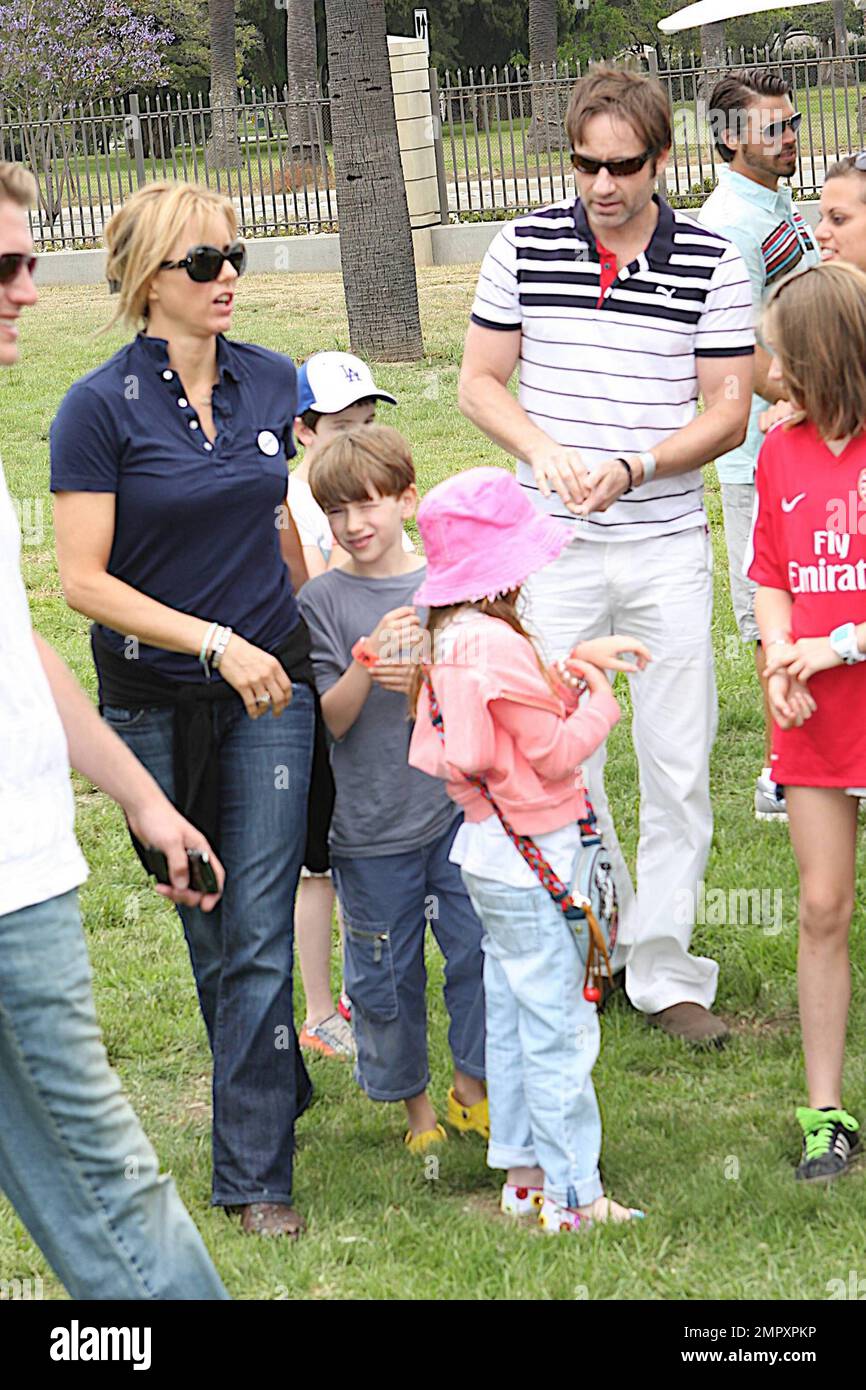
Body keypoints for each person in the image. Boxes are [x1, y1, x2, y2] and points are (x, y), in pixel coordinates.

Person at [458, 64, 754, 1045]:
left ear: (659, 160)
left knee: (675, 763)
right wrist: (541, 452)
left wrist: (634, 465)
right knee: (556, 763)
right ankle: (604, 939)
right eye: (583, 163)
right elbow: (478, 381)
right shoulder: (524, 244)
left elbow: (724, 412)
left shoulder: (709, 257)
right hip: (555, 550)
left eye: (619, 165)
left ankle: (666, 973)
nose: (598, 184)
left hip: (665, 545)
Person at [49, 181, 315, 1239]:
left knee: (255, 928)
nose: (227, 278)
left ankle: (256, 1178)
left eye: (233, 256)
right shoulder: (95, 407)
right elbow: (81, 577)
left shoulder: (274, 381)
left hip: (270, 694)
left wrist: (304, 626)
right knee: (207, 922)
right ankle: (272, 1080)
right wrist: (210, 638)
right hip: (150, 702)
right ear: (147, 280)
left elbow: (276, 522)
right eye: (202, 263)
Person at [0, 159, 228, 1299]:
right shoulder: (97, 407)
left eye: (30, 262)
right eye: (3, 266)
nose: (28, 289)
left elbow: (18, 646)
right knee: (108, 1178)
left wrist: (140, 797)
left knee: (92, 1184)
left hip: (25, 877)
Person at [408, 466, 647, 1229]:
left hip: (486, 850)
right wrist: (603, 706)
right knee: (562, 1027)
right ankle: (575, 1196)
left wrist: (574, 668)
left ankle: (523, 1175)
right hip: (539, 851)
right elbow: (552, 752)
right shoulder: (497, 645)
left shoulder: (448, 639)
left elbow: (498, 732)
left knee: (514, 1013)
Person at [298, 425, 487, 1151]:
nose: (353, 525)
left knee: (476, 953)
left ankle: (472, 1086)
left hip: (453, 814)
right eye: (336, 511)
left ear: (407, 500)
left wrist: (431, 673)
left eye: (368, 505)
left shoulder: (445, 583)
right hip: (368, 830)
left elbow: (481, 683)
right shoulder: (320, 601)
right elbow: (333, 722)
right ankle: (418, 1115)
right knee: (383, 979)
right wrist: (367, 664)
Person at [748, 261, 866, 1180]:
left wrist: (837, 648)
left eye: (781, 357)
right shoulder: (778, 449)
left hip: (849, 677)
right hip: (815, 715)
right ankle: (825, 1113)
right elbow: (773, 577)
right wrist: (779, 661)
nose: (766, 373)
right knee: (823, 906)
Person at [698, 68, 819, 823]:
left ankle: (828, 746)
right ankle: (780, 770)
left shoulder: (778, 203)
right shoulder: (727, 222)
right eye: (772, 129)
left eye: (792, 123)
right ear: (727, 141)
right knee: (769, 607)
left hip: (818, 434)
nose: (789, 138)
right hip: (762, 455)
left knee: (824, 593)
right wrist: (812, 401)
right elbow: (735, 347)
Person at [289, 351, 408, 1061]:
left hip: (379, 709)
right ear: (304, 430)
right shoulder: (300, 504)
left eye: (366, 420)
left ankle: (372, 987)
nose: (354, 435)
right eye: (338, 425)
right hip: (325, 683)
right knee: (317, 862)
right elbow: (309, 588)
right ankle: (315, 1004)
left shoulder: (365, 497)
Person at [760, 152, 866, 433]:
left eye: (838, 219)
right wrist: (802, 408)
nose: (819, 232)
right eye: (822, 218)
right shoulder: (831, 307)